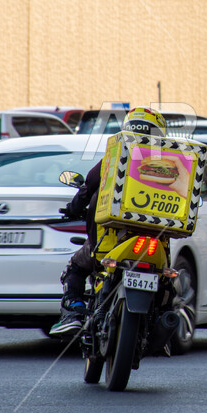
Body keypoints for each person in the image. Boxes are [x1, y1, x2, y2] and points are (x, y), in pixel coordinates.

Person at [50, 107, 169, 336]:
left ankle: (74, 311)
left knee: (75, 267)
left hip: (109, 243)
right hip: (155, 245)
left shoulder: (117, 156)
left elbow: (88, 187)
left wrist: (73, 208)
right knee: (169, 284)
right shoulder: (173, 163)